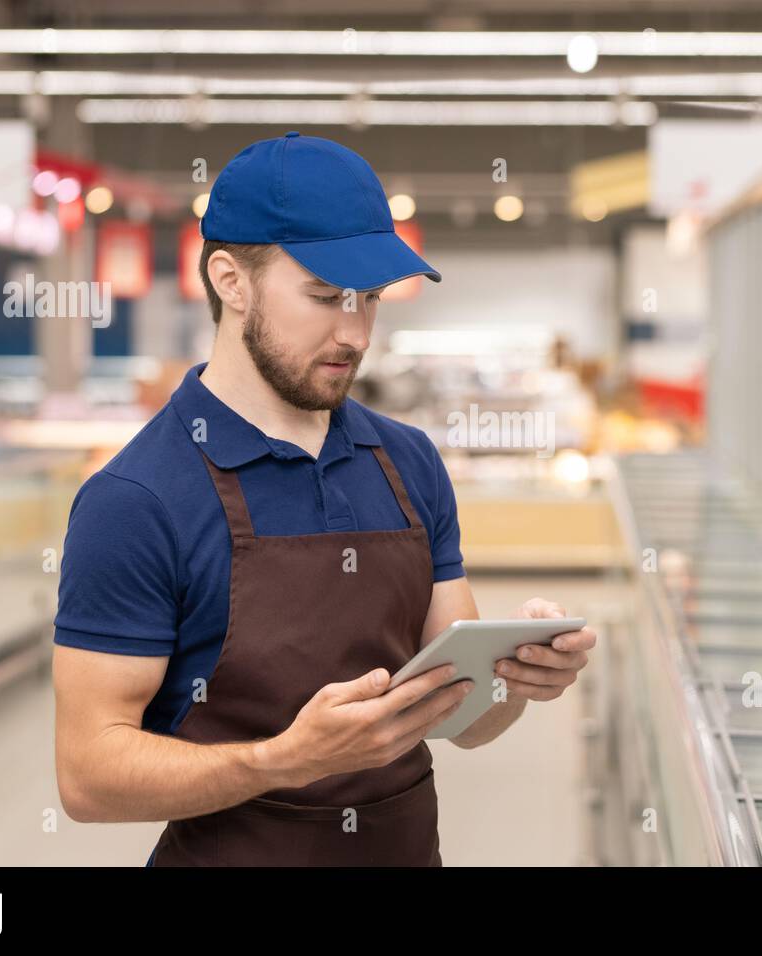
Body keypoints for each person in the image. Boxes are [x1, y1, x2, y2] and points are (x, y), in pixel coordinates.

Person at [51, 131, 597, 866]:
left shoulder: (407, 463)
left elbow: (466, 721)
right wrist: (280, 761)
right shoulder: (136, 498)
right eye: (324, 296)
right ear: (229, 279)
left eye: (369, 299)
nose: (355, 331)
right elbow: (88, 778)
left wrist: (519, 681)